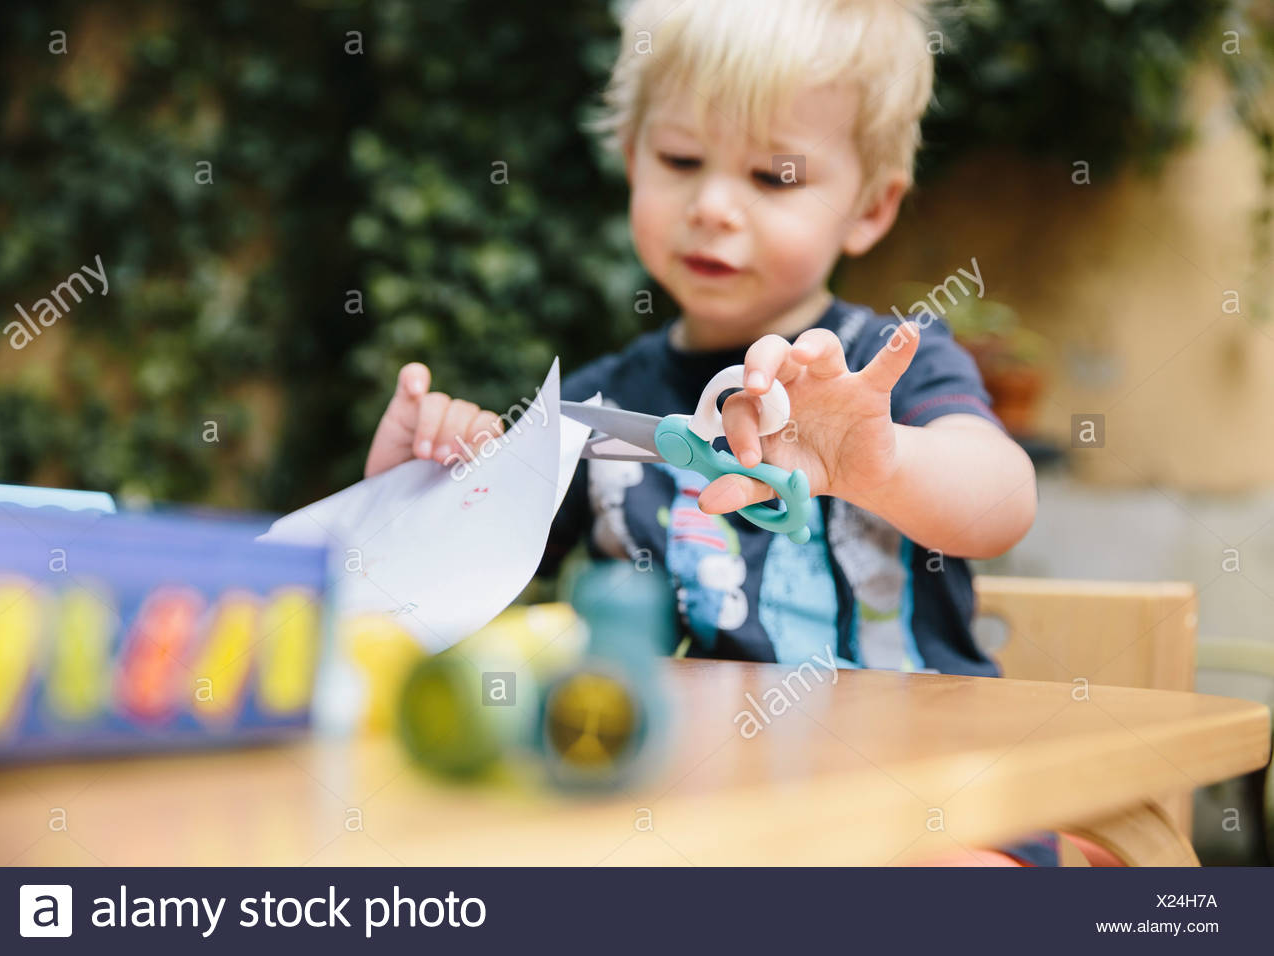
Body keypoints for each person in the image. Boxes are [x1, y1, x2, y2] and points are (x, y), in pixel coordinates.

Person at [364, 0, 1075, 867]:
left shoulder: (888, 367)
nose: (712, 206)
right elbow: (451, 585)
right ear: (631, 161)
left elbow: (1002, 501)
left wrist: (877, 463)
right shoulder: (600, 408)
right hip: (695, 822)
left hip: (930, 804)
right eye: (680, 160)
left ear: (870, 208)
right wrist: (409, 495)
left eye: (774, 176)